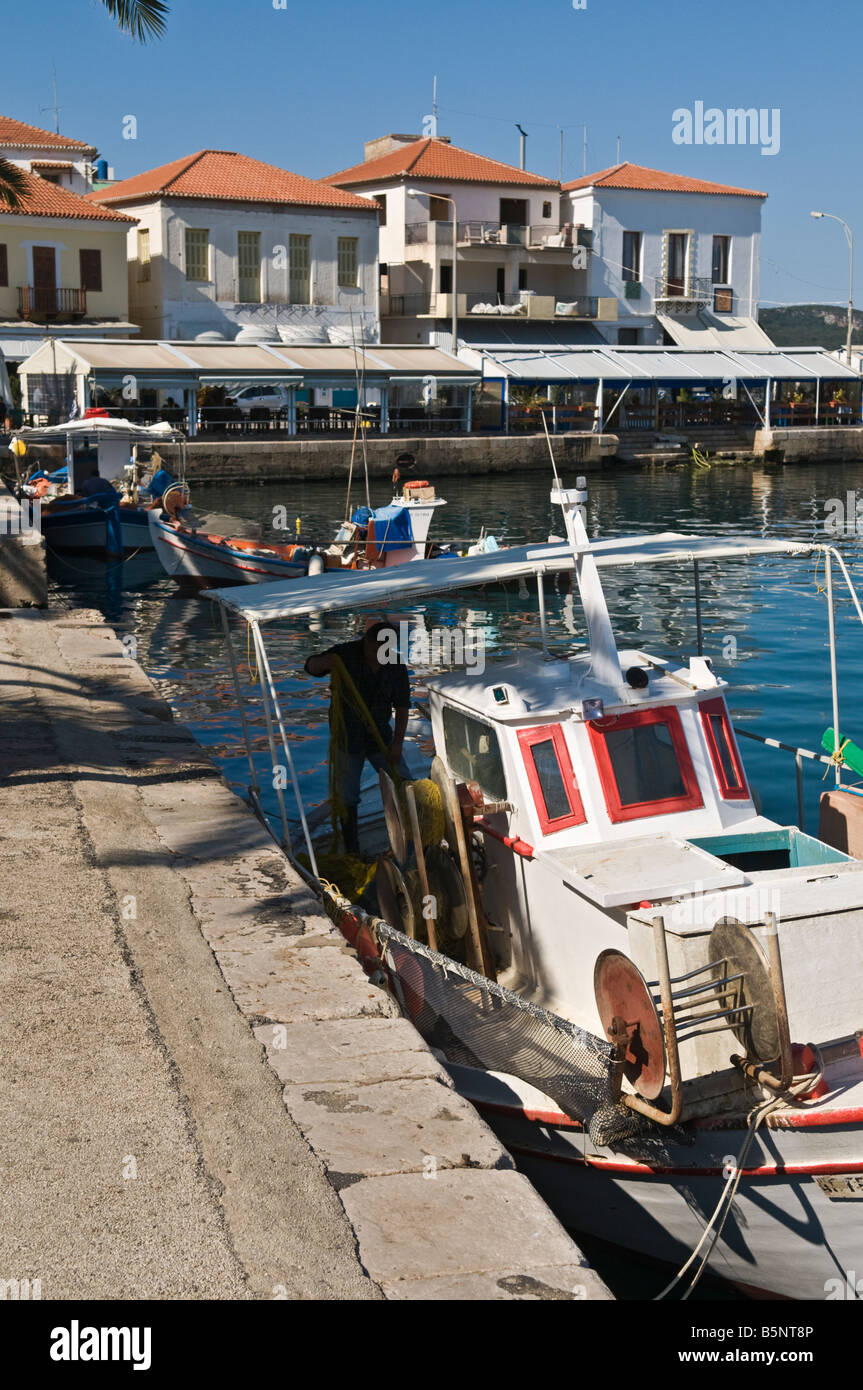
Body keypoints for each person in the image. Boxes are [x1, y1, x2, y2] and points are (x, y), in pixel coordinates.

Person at [305, 621, 411, 854]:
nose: (379, 657)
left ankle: (411, 838)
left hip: (380, 737)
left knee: (405, 783)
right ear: (366, 642)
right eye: (375, 650)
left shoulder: (395, 665)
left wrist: (397, 745)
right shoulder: (344, 654)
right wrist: (322, 662)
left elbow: (402, 707)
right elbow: (310, 666)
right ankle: (352, 850)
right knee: (347, 796)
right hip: (348, 738)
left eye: (386, 651)